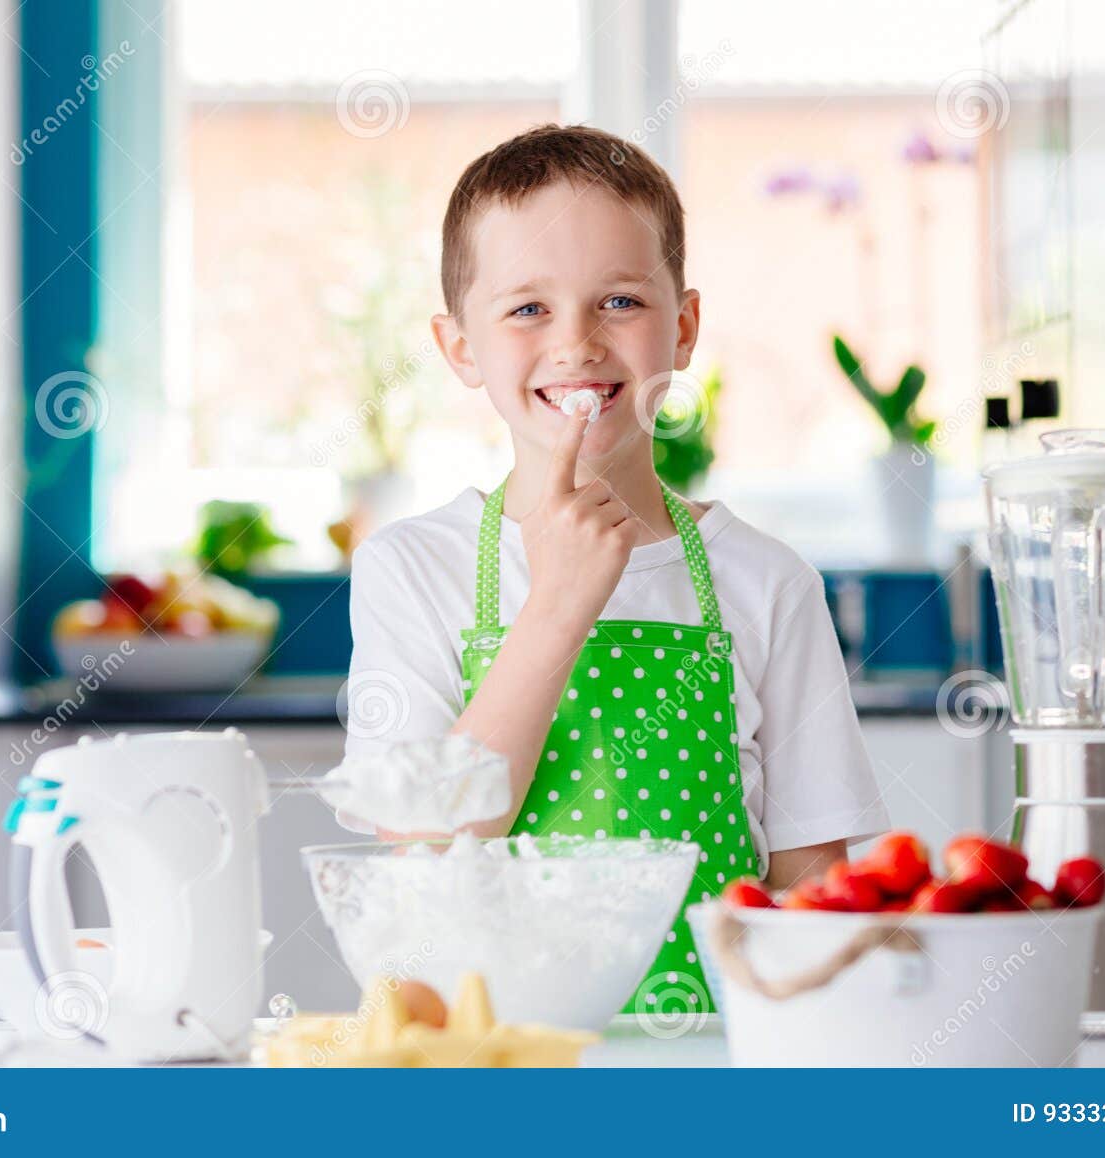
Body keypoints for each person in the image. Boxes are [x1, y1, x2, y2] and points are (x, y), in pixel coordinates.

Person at [340, 123, 888, 1007]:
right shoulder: (411, 569)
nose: (578, 343)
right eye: (527, 309)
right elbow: (428, 851)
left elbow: (810, 881)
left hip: (720, 1061)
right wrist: (557, 606)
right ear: (460, 348)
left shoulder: (769, 580)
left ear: (684, 327)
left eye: (621, 302)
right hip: (498, 1065)